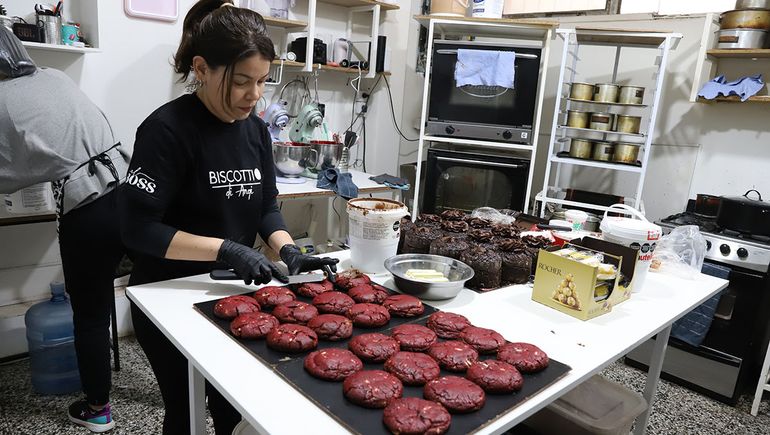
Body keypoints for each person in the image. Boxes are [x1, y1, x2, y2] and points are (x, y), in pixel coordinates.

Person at [118, 1, 339, 433]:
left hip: (233, 292)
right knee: (185, 410)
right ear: (201, 68)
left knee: (231, 406)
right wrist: (225, 247)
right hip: (168, 294)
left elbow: (264, 207)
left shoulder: (255, 130)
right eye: (241, 82)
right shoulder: (166, 130)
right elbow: (137, 228)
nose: (254, 95)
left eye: (261, 81)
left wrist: (287, 249)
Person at [0, 27, 130, 433]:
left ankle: (98, 411)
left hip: (88, 210)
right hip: (129, 191)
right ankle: (185, 383)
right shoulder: (54, 76)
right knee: (145, 291)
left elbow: (8, 173)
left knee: (89, 316)